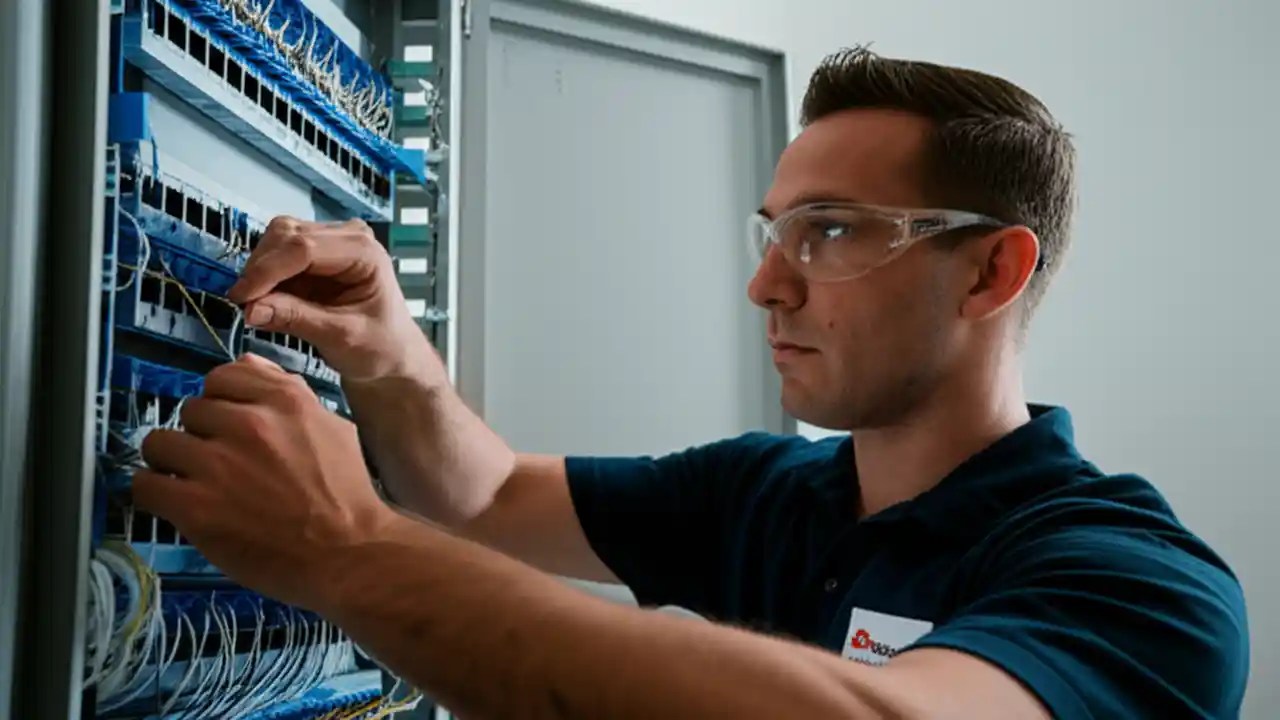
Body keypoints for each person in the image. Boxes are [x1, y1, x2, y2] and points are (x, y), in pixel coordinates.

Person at [134, 47, 1250, 718]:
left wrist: (347, 551)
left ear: (990, 272)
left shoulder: (1138, 587)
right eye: (773, 232)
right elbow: (485, 496)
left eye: (828, 231)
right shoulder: (767, 493)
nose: (766, 284)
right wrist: (389, 349)